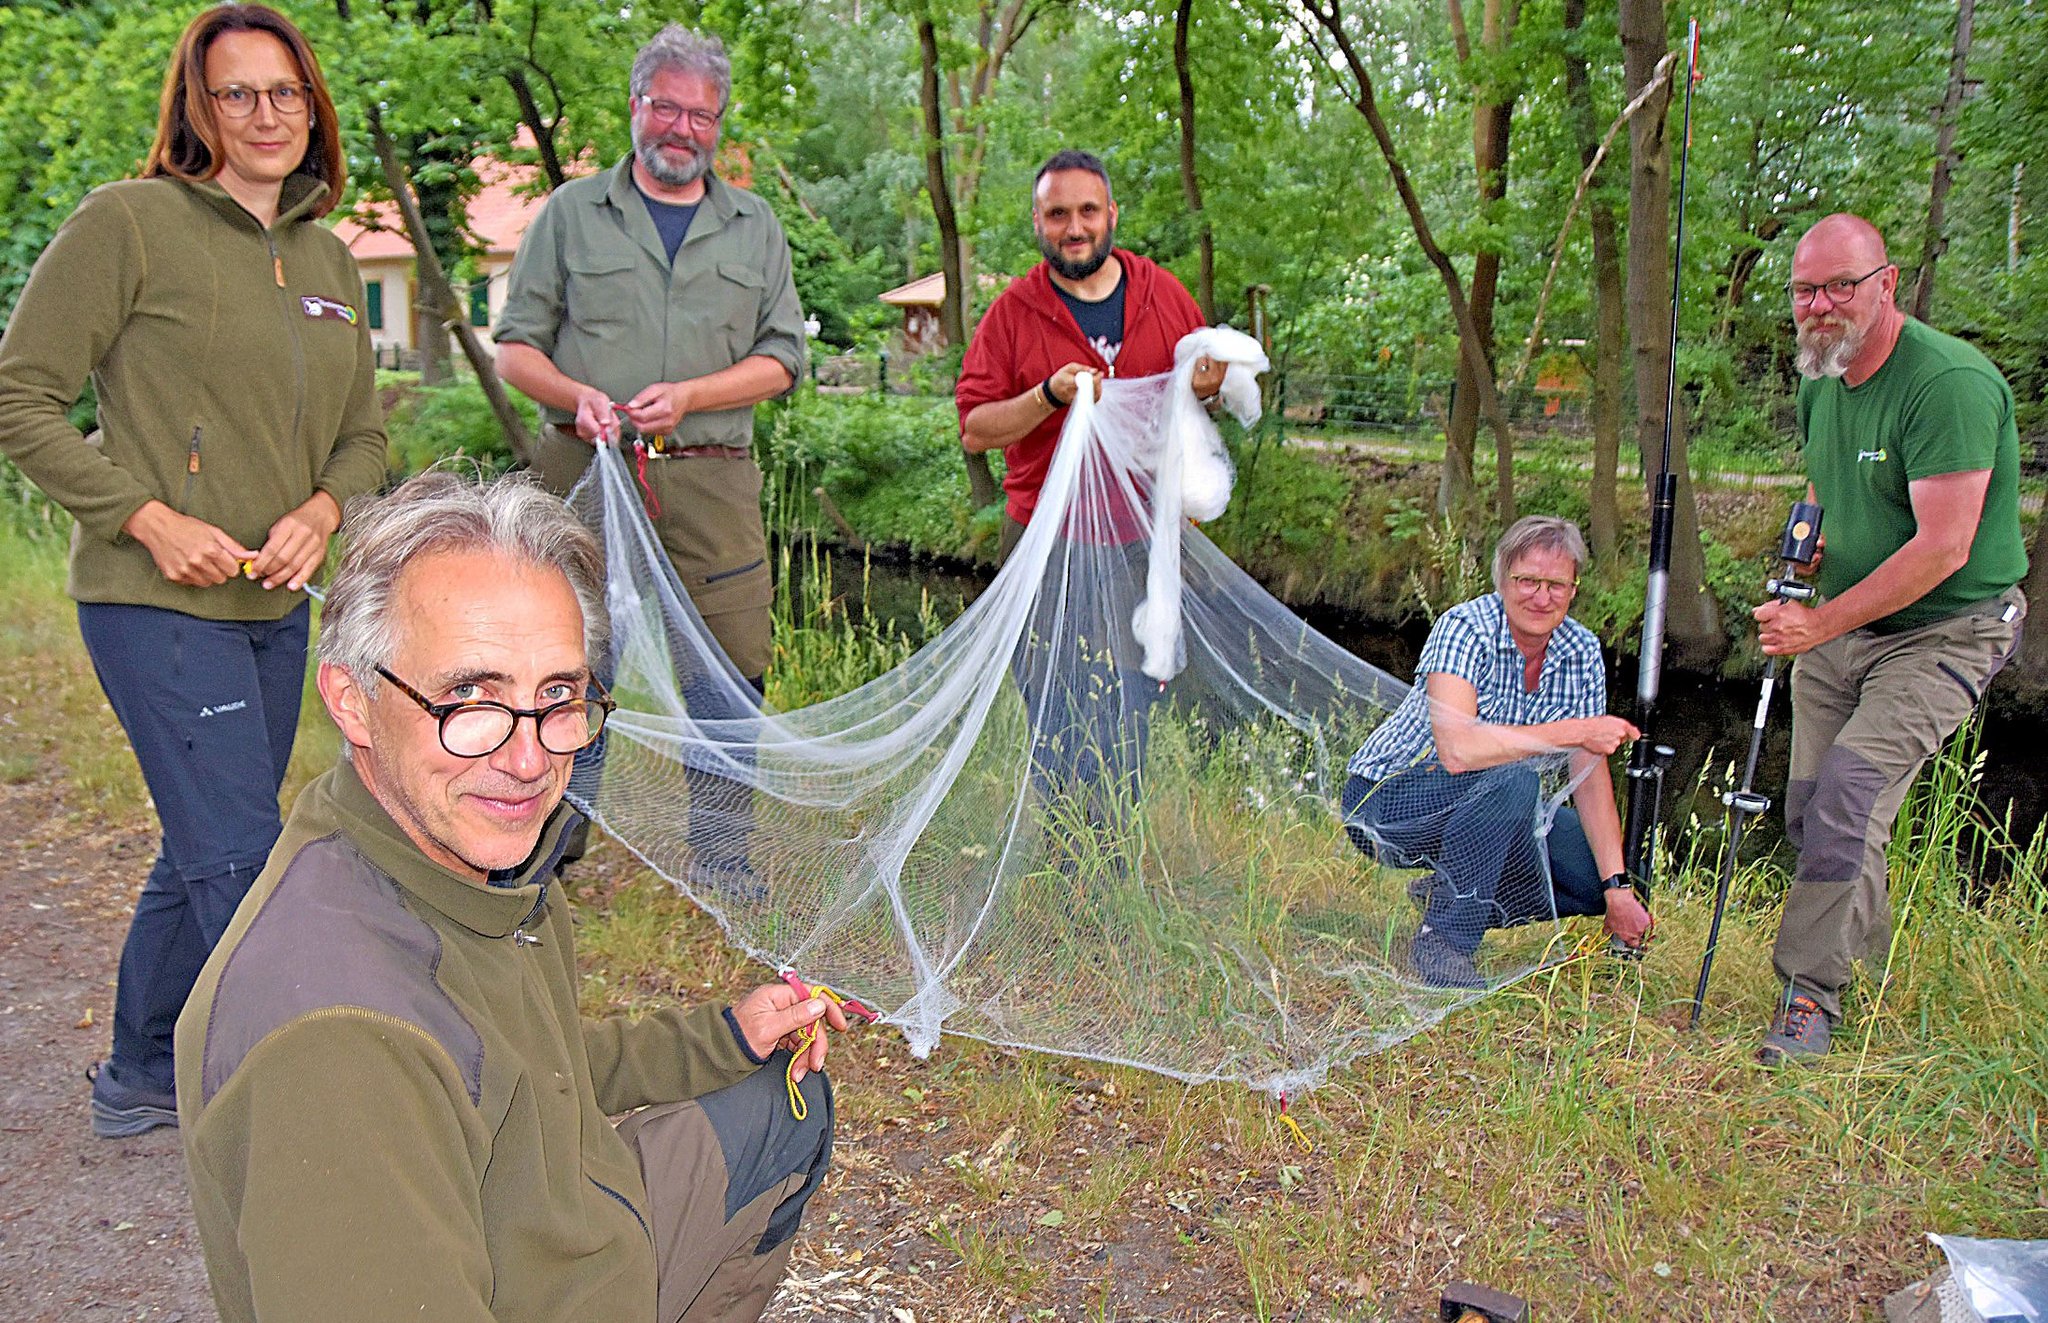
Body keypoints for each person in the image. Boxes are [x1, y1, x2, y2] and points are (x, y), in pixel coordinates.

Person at [175, 471, 846, 1323]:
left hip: (579, 1231)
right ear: (351, 698)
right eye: (470, 698)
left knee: (784, 1102)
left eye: (557, 698)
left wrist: (724, 1035)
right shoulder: (340, 1047)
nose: (529, 760)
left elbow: (534, 1060)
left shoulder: (465, 862)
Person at [0, 4, 387, 1138]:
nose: (265, 113)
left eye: (285, 92)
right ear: (196, 108)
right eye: (237, 93)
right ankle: (309, 1107)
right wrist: (145, 517)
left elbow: (362, 438)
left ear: (310, 107)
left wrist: (324, 510)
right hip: (155, 605)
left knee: (206, 838)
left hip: (274, 608)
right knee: (241, 857)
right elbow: (20, 394)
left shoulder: (326, 256)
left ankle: (137, 1072)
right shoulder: (128, 223)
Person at [495, 24, 801, 888]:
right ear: (636, 108)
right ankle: (550, 847)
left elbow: (784, 359)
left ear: (719, 124)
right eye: (665, 106)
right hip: (583, 473)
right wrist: (574, 394)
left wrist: (695, 394)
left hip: (710, 478)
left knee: (730, 672)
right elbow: (514, 349)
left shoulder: (756, 227)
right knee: (569, 664)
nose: (682, 127)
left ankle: (723, 860)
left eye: (700, 114)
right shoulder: (570, 214)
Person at [1751, 213, 2027, 1064]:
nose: (1820, 305)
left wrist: (1818, 621)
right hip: (1842, 620)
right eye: (1805, 290)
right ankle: (1846, 949)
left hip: (1946, 629)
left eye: (1841, 285)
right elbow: (1825, 473)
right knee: (1811, 809)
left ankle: (1809, 999)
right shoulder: (1820, 375)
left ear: (1887, 283)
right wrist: (1812, 535)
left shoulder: (1947, 382)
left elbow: (1945, 547)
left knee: (1850, 797)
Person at [954, 150, 1225, 827]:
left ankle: (1114, 856)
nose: (1073, 227)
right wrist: (1047, 395)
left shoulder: (1165, 296)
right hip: (1048, 540)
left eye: (1086, 211)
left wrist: (1209, 388)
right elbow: (976, 428)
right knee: (1057, 703)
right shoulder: (1013, 312)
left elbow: (1197, 401)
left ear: (1111, 215)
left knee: (1136, 704)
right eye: (1056, 214)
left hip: (1144, 540)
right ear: (1038, 223)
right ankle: (1068, 855)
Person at [1341, 517, 1653, 989]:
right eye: (1527, 580)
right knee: (1515, 780)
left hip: (1490, 803)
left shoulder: (1583, 650)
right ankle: (1443, 943)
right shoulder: (1464, 628)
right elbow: (1459, 751)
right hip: (1387, 802)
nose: (1541, 597)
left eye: (1556, 584)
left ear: (1574, 589)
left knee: (1608, 873)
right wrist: (1574, 730)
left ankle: (1444, 897)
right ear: (1502, 577)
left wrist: (1617, 888)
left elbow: (1589, 777)